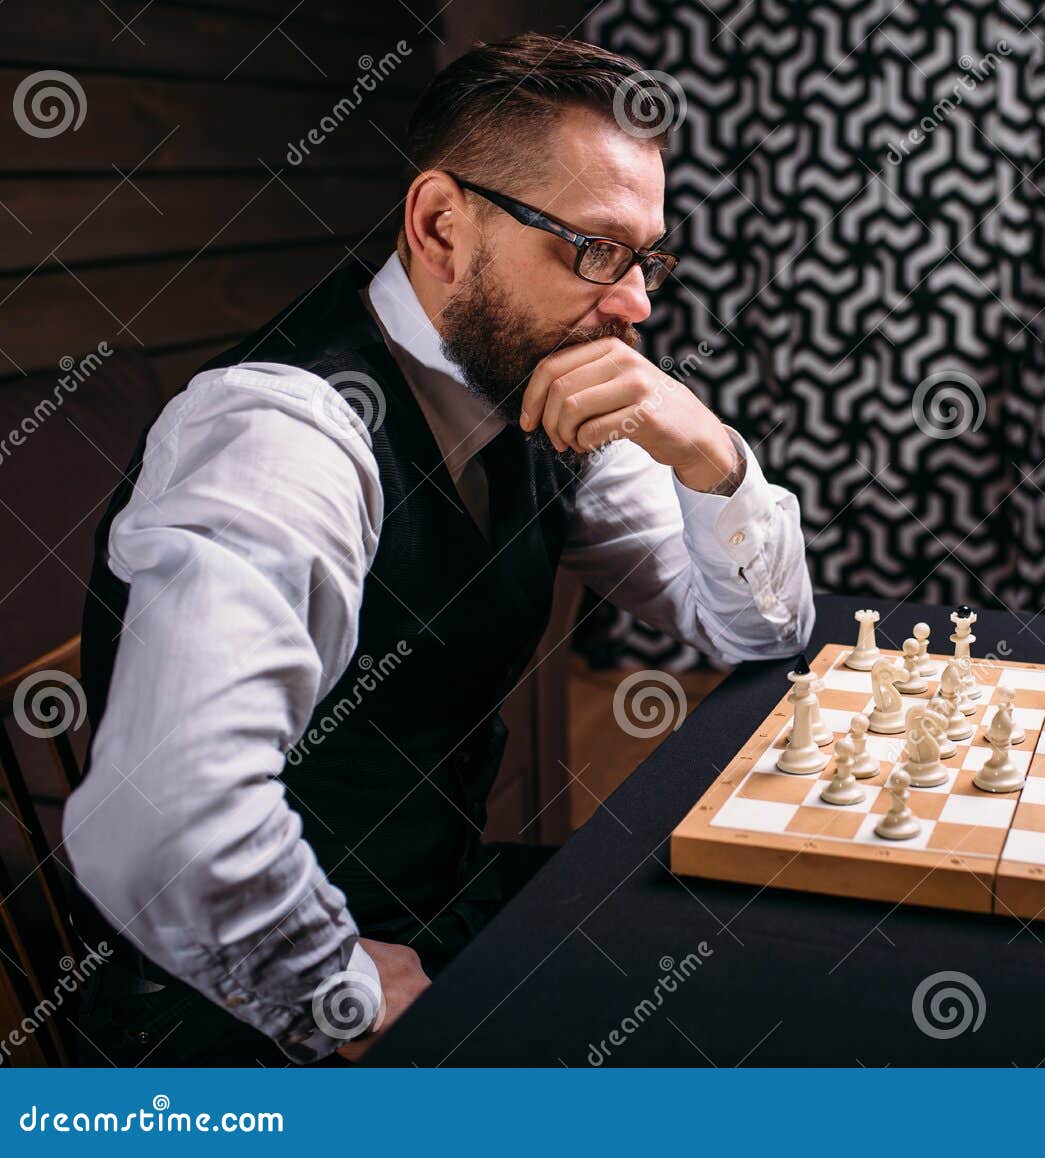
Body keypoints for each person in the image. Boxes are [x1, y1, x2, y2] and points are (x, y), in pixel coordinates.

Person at [62, 32, 814, 1066]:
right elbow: (158, 819)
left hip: (437, 901)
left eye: (645, 257)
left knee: (761, 968)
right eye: (592, 248)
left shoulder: (536, 383)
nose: (637, 301)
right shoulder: (281, 436)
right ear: (440, 225)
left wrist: (713, 458)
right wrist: (338, 988)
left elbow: (755, 626)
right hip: (232, 1013)